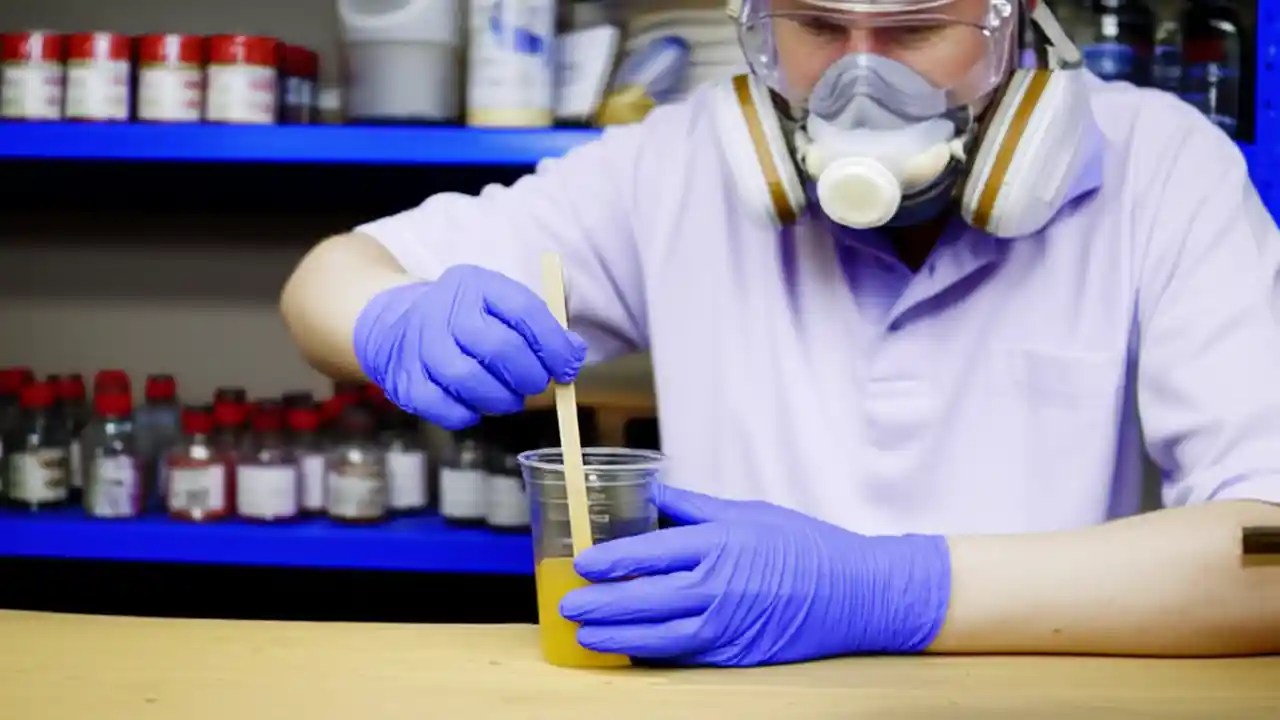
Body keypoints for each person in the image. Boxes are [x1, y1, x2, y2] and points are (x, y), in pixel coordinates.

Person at [281, 0, 1280, 665]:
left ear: (1011, 23)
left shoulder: (1160, 164)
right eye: (814, 26)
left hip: (1031, 691)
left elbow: (1266, 552)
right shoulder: (671, 166)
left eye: (913, 30)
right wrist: (389, 316)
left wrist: (895, 591)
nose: (856, 79)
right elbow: (326, 278)